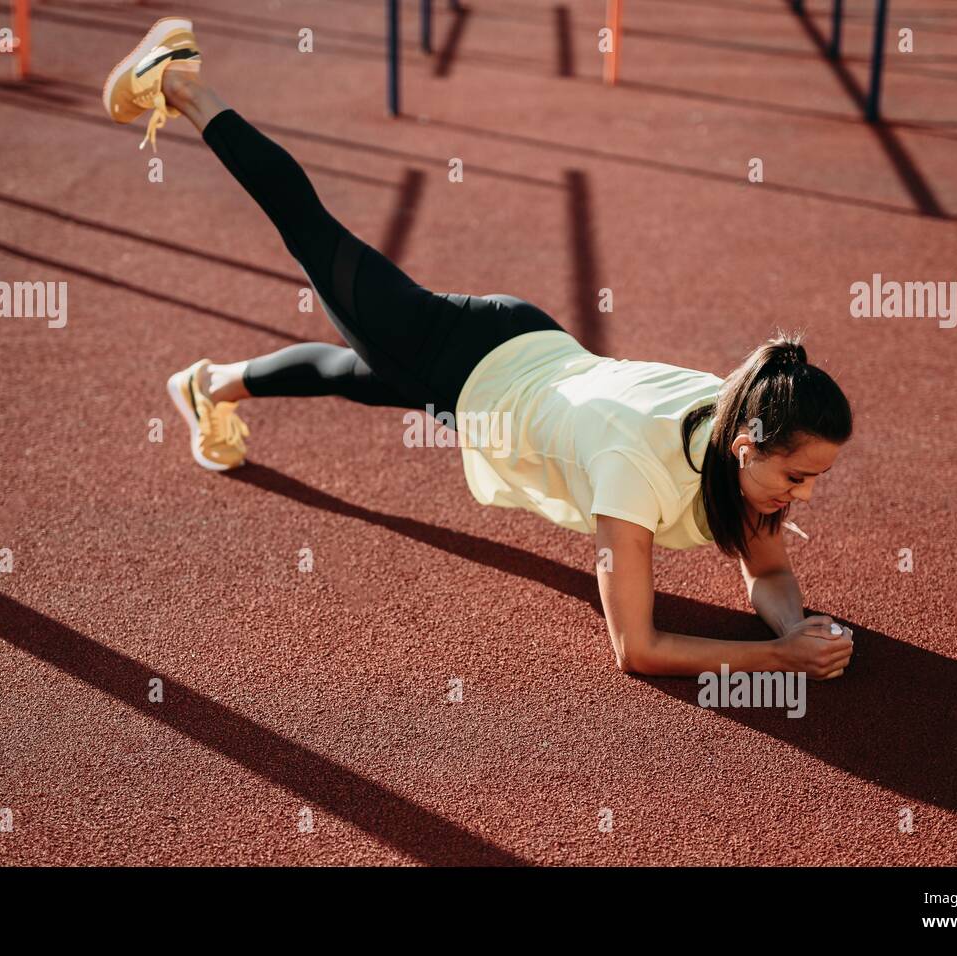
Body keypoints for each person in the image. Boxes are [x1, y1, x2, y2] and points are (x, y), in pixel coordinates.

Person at [102, 19, 857, 681]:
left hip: (521, 341)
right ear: (748, 445)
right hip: (465, 363)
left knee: (362, 376)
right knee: (312, 231)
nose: (806, 495)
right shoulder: (635, 471)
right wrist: (774, 659)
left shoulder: (740, 429)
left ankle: (211, 387)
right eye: (799, 475)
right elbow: (638, 647)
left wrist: (795, 626)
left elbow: (770, 570)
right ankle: (181, 84)